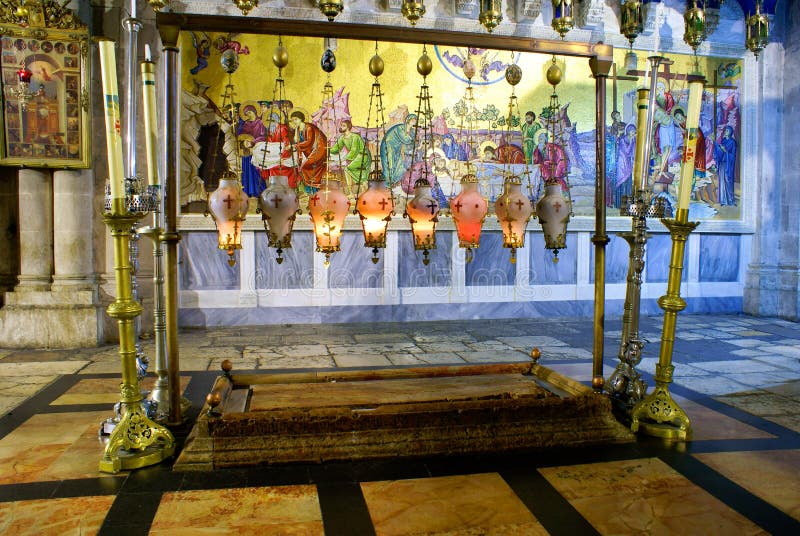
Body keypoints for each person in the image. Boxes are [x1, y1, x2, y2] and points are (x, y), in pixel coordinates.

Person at [283, 110, 327, 189]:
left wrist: (293, 146)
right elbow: (296, 140)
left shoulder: (309, 127)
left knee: (304, 166)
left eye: (296, 119)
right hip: (308, 151)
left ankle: (312, 188)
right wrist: (296, 129)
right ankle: (309, 188)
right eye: (292, 120)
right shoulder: (299, 128)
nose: (294, 121)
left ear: (301, 119)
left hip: (318, 150)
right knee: (300, 166)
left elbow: (308, 142)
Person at [328, 119, 371, 189]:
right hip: (356, 157)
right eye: (341, 125)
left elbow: (354, 150)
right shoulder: (342, 138)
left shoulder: (355, 137)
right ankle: (353, 189)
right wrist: (327, 149)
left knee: (347, 169)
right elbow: (336, 148)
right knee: (348, 169)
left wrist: (342, 160)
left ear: (348, 128)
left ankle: (354, 188)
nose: (341, 127)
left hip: (363, 155)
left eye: (343, 126)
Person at [380, 114, 417, 187]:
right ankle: (387, 183)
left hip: (397, 148)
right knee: (389, 163)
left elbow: (410, 144)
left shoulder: (412, 131)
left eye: (415, 120)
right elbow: (406, 139)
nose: (414, 121)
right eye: (412, 120)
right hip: (389, 145)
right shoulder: (400, 128)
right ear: (408, 120)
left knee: (400, 164)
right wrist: (413, 141)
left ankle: (394, 181)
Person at [615, 124, 636, 207]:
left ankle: (627, 204)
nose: (633, 133)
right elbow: (627, 151)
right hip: (622, 163)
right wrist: (631, 142)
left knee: (628, 182)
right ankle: (619, 204)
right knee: (622, 181)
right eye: (632, 131)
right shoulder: (623, 140)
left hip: (628, 162)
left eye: (634, 131)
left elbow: (633, 152)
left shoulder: (633, 140)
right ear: (628, 131)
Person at [715, 125, 737, 206]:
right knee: (722, 181)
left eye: (727, 131)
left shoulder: (732, 142)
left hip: (728, 164)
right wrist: (716, 145)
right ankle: (723, 200)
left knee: (728, 181)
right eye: (725, 130)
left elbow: (733, 155)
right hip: (722, 163)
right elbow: (719, 152)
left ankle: (731, 200)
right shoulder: (723, 141)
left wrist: (726, 151)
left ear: (730, 132)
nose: (726, 132)